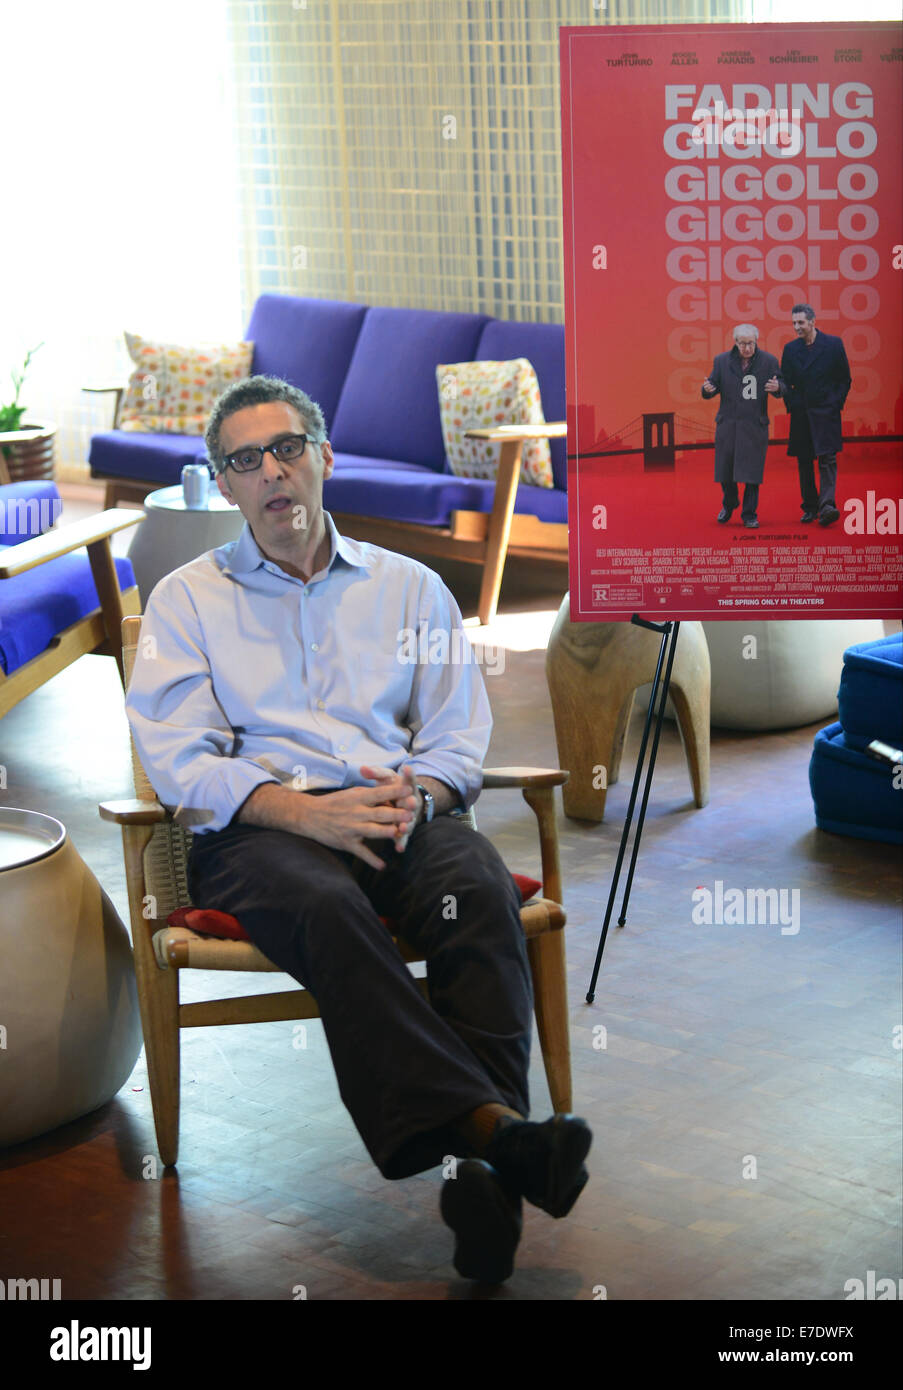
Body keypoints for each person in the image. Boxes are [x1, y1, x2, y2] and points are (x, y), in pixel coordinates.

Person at [125, 374, 592, 1285]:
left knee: (474, 890)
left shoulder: (411, 589)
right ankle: (503, 1138)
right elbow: (181, 762)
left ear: (324, 459)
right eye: (246, 460)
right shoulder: (188, 602)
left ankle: (484, 1176)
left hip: (395, 812)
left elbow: (458, 735)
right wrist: (303, 812)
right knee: (329, 910)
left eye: (288, 448)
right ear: (226, 485)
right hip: (260, 835)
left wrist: (420, 794)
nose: (272, 473)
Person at [701, 324, 783, 529]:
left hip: (755, 426)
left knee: (752, 474)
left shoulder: (769, 361)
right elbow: (712, 385)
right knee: (725, 473)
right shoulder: (721, 361)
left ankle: (749, 514)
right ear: (735, 342)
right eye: (742, 343)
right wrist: (707, 390)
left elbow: (782, 386)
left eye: (750, 343)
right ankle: (730, 503)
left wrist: (778, 388)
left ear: (756, 341)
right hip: (728, 425)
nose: (746, 348)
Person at [779, 304, 852, 527]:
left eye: (800, 322)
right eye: (793, 323)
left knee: (827, 459)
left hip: (826, 411)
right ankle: (810, 507)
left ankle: (827, 505)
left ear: (812, 321)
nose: (796, 327)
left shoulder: (833, 344)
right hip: (802, 412)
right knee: (804, 461)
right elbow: (784, 381)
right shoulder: (790, 349)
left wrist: (834, 404)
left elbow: (844, 379)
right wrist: (792, 404)